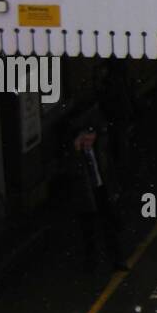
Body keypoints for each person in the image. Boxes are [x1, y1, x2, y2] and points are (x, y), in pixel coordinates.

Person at [68, 110, 126, 273]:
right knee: (89, 234)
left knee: (109, 230)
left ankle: (117, 261)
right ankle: (91, 266)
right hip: (87, 197)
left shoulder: (99, 149)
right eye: (85, 137)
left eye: (91, 136)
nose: (88, 141)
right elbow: (73, 172)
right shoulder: (76, 155)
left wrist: (114, 191)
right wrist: (76, 152)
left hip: (101, 192)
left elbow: (109, 170)